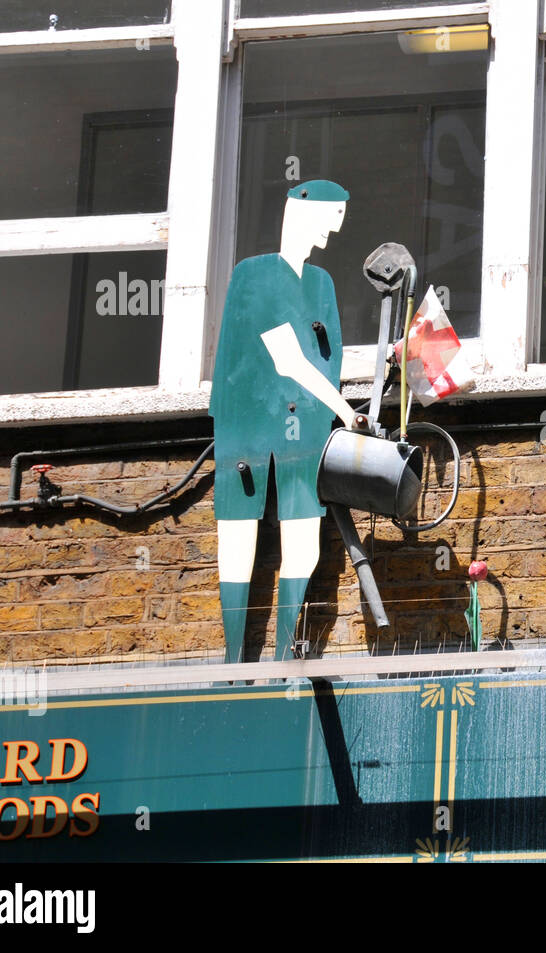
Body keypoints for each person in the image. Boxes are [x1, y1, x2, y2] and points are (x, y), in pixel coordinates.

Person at [210, 180, 358, 662]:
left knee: (305, 544)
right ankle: (234, 661)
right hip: (246, 428)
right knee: (240, 538)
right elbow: (289, 358)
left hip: (304, 432)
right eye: (329, 219)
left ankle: (281, 657)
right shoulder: (254, 274)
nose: (332, 233)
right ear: (299, 211)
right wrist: (343, 408)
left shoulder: (321, 283)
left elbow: (327, 353)